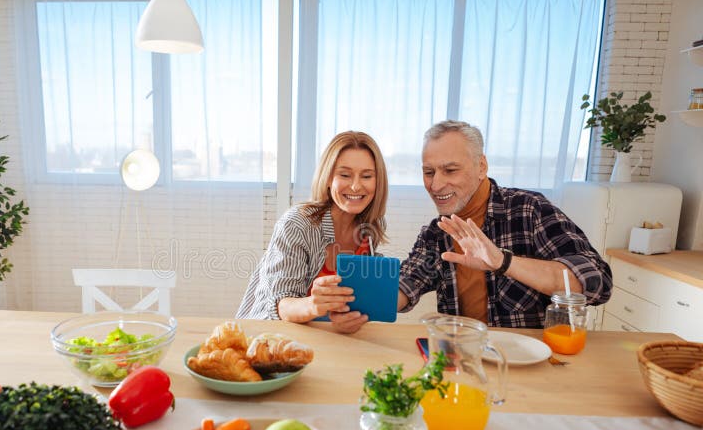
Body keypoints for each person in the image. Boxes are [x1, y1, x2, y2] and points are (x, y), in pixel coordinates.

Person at [397, 120, 612, 328]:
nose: (436, 185)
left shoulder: (529, 210)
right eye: (429, 172)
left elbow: (598, 281)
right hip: (465, 353)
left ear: (481, 167)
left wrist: (504, 262)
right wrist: (368, 293)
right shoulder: (436, 233)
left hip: (530, 359)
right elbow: (405, 286)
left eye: (450, 170)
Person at [237, 131, 389, 334]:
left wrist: (347, 318)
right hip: (268, 335)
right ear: (327, 178)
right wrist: (313, 306)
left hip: (323, 337)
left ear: (378, 182)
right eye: (344, 175)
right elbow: (280, 304)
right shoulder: (297, 223)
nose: (355, 185)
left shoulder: (369, 229)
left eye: (367, 176)